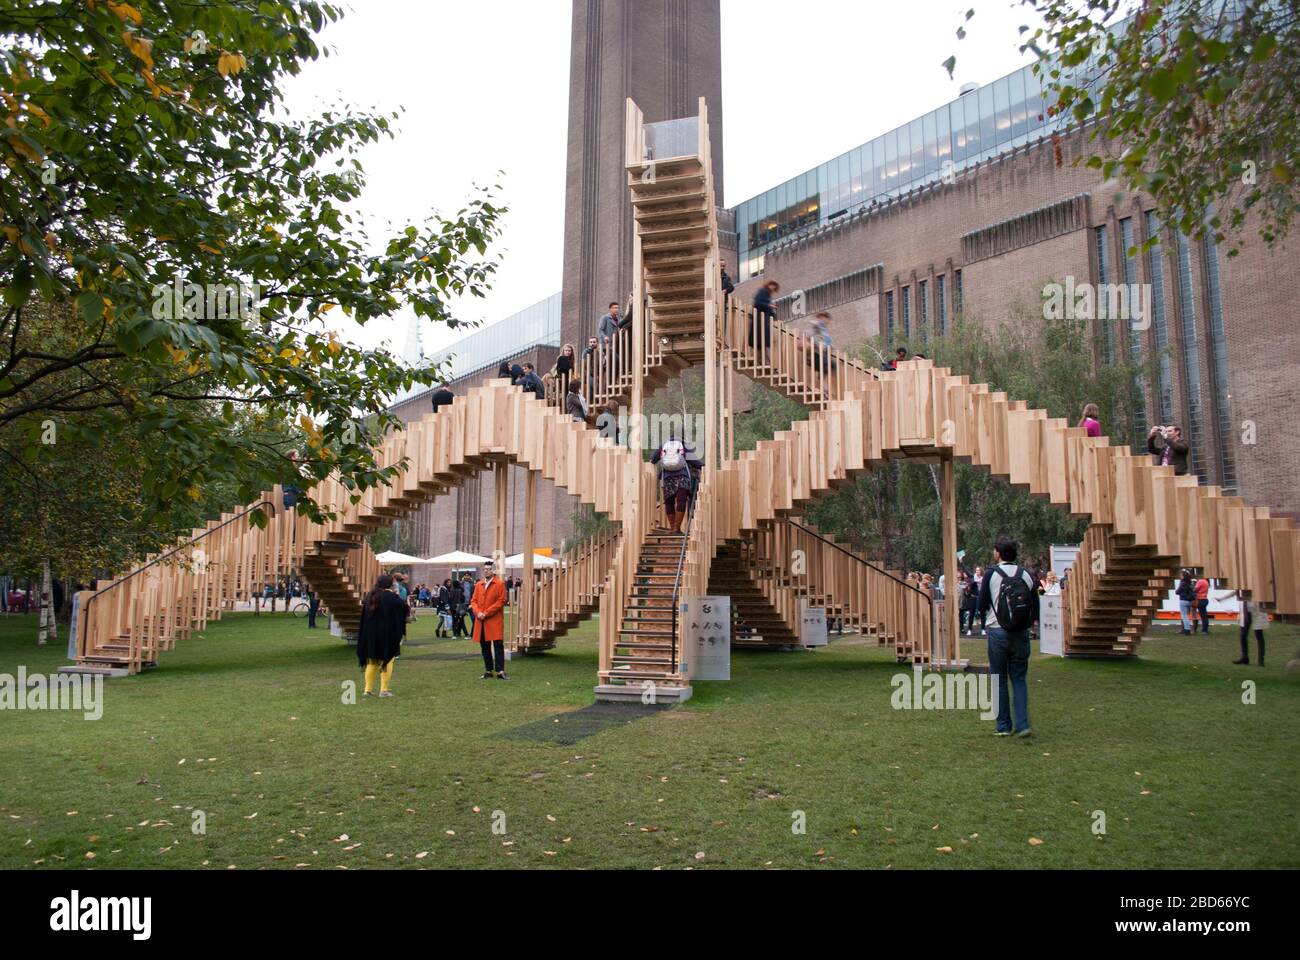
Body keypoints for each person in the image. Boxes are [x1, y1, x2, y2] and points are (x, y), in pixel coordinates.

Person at [977, 536, 1039, 738]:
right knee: (1019, 678)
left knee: (999, 678)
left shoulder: (991, 575)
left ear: (998, 553)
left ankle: (1003, 725)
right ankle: (1023, 724)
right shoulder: (1026, 574)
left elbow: (981, 603)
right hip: (1021, 632)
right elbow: (1034, 605)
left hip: (997, 630)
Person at [356, 574, 407, 698]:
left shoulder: (370, 596)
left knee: (372, 661)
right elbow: (404, 609)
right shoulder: (392, 597)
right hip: (387, 634)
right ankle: (383, 690)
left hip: (371, 635)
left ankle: (367, 690)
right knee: (387, 660)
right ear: (390, 584)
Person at [650, 431, 702, 534]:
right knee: (681, 501)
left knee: (669, 503)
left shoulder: (664, 444)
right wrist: (703, 466)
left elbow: (653, 458)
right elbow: (694, 461)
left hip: (667, 477)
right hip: (682, 476)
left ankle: (672, 527)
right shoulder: (683, 444)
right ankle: (677, 528)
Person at [471, 560, 509, 680]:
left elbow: (501, 601)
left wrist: (486, 613)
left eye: (488, 569)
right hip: (481, 620)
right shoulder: (479, 585)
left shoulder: (499, 584)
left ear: (493, 570)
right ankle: (488, 670)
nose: (485, 571)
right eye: (485, 569)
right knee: (485, 646)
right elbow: (474, 601)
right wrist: (478, 612)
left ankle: (500, 671)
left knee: (498, 646)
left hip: (493, 620)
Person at [1232, 591, 1267, 666]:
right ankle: (1245, 658)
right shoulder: (1242, 585)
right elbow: (1236, 591)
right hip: (1245, 612)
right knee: (1243, 635)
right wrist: (1222, 598)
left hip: (1256, 611)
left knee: (1259, 635)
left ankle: (1261, 660)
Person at [750, 280, 779, 351]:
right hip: (760, 317)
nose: (772, 289)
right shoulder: (762, 291)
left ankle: (762, 352)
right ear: (769, 285)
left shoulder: (767, 294)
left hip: (763, 318)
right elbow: (758, 303)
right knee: (760, 337)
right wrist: (769, 305)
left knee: (762, 338)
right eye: (772, 287)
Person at [1176, 570, 1196, 635]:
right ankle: (1188, 629)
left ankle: (1187, 629)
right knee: (1187, 615)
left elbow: (1177, 591)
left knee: (1184, 616)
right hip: (1189, 601)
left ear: (1183, 576)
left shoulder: (1183, 583)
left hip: (1183, 600)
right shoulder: (1190, 583)